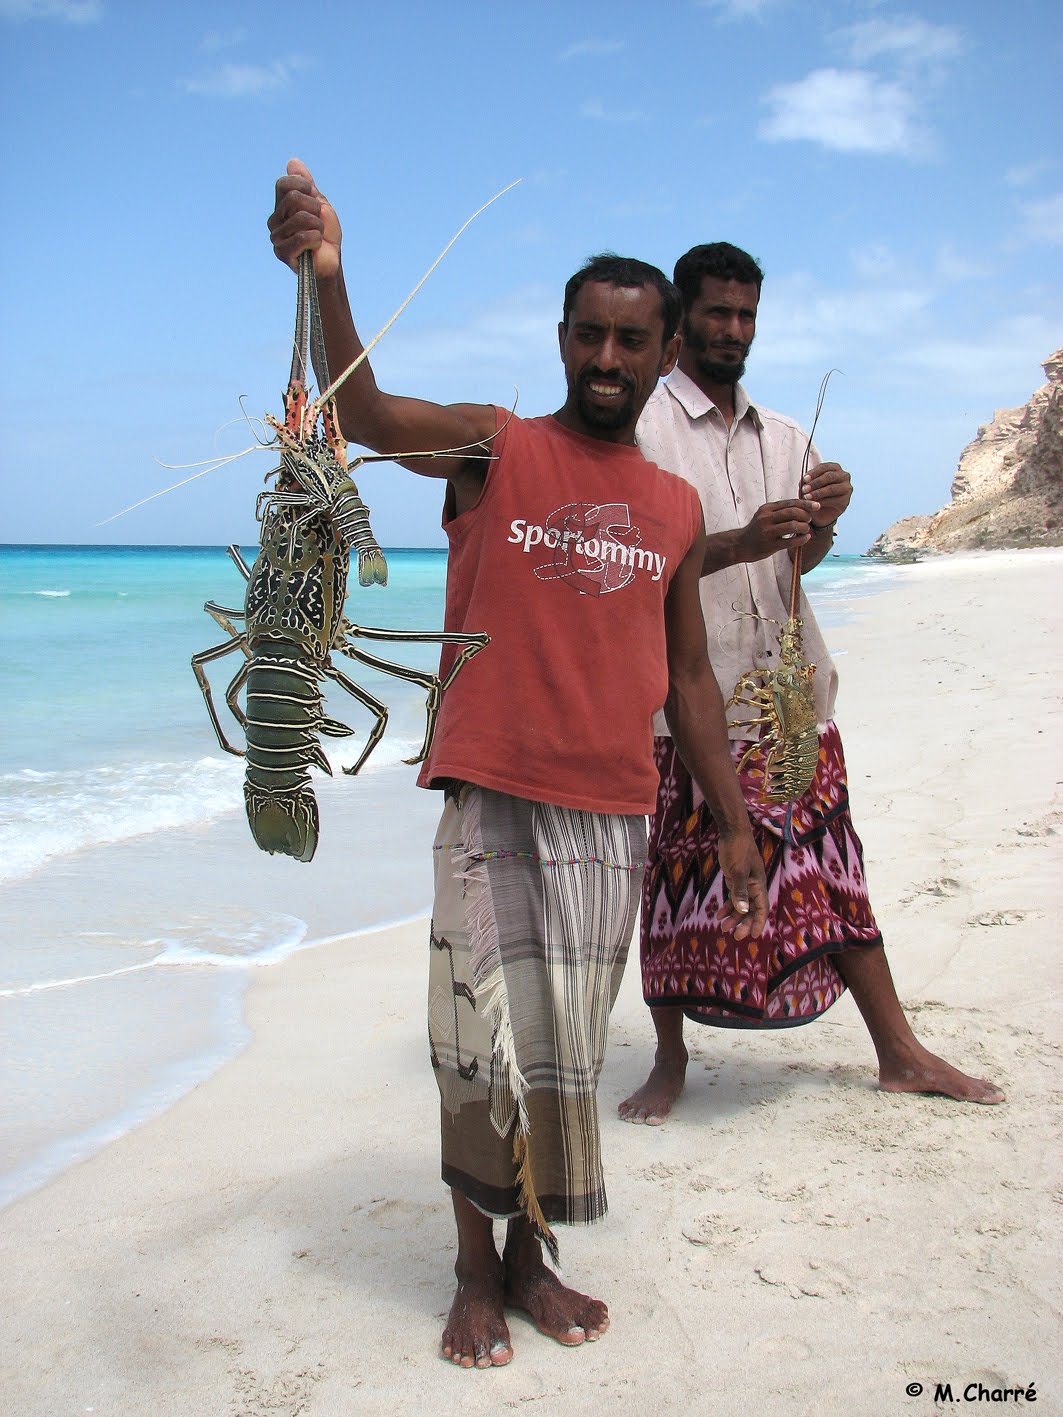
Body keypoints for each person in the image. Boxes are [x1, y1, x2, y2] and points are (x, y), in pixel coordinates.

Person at [268, 166, 769, 1370]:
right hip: (490, 788)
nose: (608, 354)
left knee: (566, 1050)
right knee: (475, 1040)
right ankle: (468, 1266)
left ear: (659, 358)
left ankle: (533, 1257)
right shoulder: (495, 448)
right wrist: (330, 279)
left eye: (631, 339)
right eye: (589, 333)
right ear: (561, 341)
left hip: (611, 809)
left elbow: (688, 680)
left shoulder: (671, 505)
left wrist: (737, 825)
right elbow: (372, 420)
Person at [619, 241, 1004, 1127]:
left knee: (837, 874)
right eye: (716, 313)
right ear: (681, 320)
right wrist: (741, 543)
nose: (733, 330)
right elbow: (638, 570)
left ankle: (899, 1052)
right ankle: (668, 1060)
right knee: (672, 884)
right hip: (680, 708)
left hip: (788, 702)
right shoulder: (640, 431)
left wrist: (820, 521)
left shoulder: (786, 435)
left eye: (746, 315)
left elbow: (797, 565)